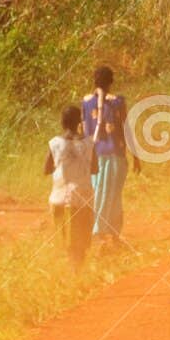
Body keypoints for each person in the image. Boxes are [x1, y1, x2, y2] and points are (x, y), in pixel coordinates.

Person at [83, 65, 141, 243]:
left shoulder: (86, 102)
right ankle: (105, 232)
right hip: (116, 155)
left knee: (99, 192)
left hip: (95, 154)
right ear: (111, 82)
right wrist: (136, 156)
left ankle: (103, 231)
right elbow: (126, 129)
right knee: (113, 194)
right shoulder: (118, 102)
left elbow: (85, 129)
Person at [45, 104, 96, 267]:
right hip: (83, 196)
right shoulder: (89, 142)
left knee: (65, 237)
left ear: (62, 122)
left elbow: (46, 169)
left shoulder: (55, 143)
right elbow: (95, 169)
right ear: (79, 122)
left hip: (60, 196)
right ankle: (78, 269)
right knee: (81, 237)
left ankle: (72, 271)